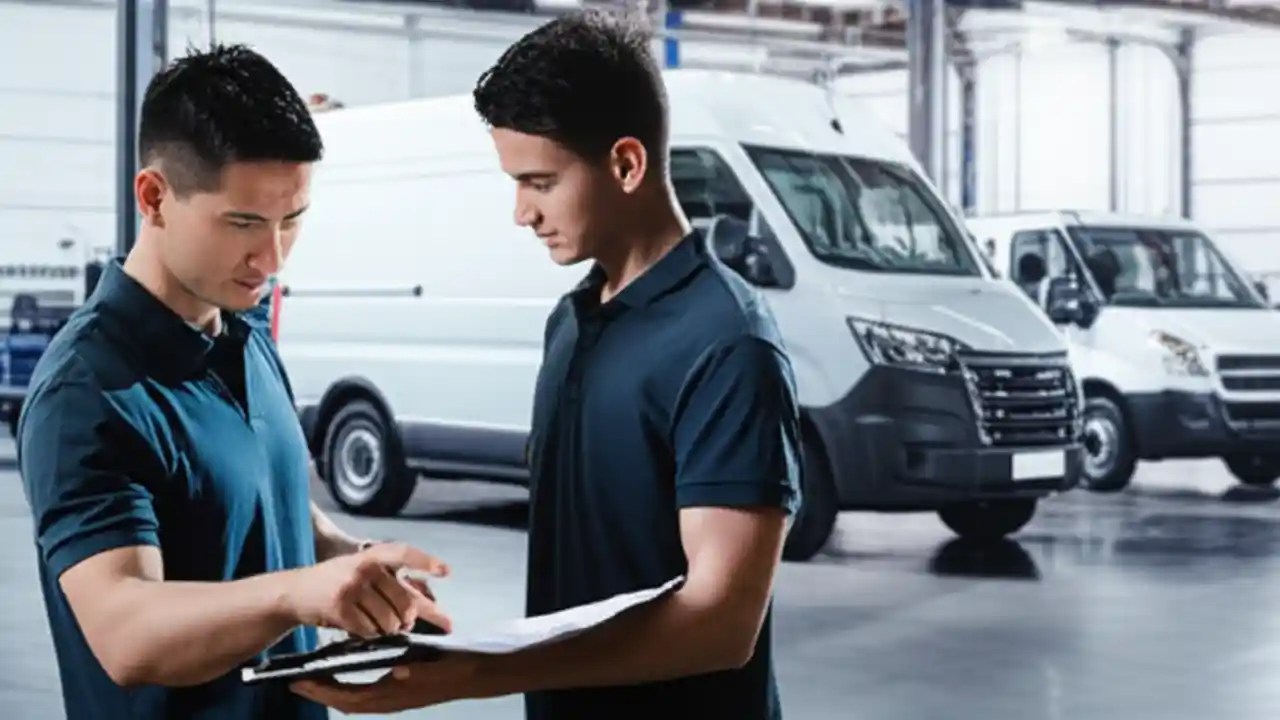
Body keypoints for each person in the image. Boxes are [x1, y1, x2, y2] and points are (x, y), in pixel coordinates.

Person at [292, 8, 801, 719]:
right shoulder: (571, 321)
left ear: (626, 163)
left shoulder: (727, 345)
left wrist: (474, 675)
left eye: (538, 182)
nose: (520, 213)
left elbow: (721, 623)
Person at [17, 44, 450, 720]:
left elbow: (261, 504)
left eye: (293, 221)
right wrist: (300, 594)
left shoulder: (244, 335)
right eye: (244, 223)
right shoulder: (88, 392)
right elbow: (126, 631)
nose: (272, 256)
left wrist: (352, 564)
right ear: (154, 197)